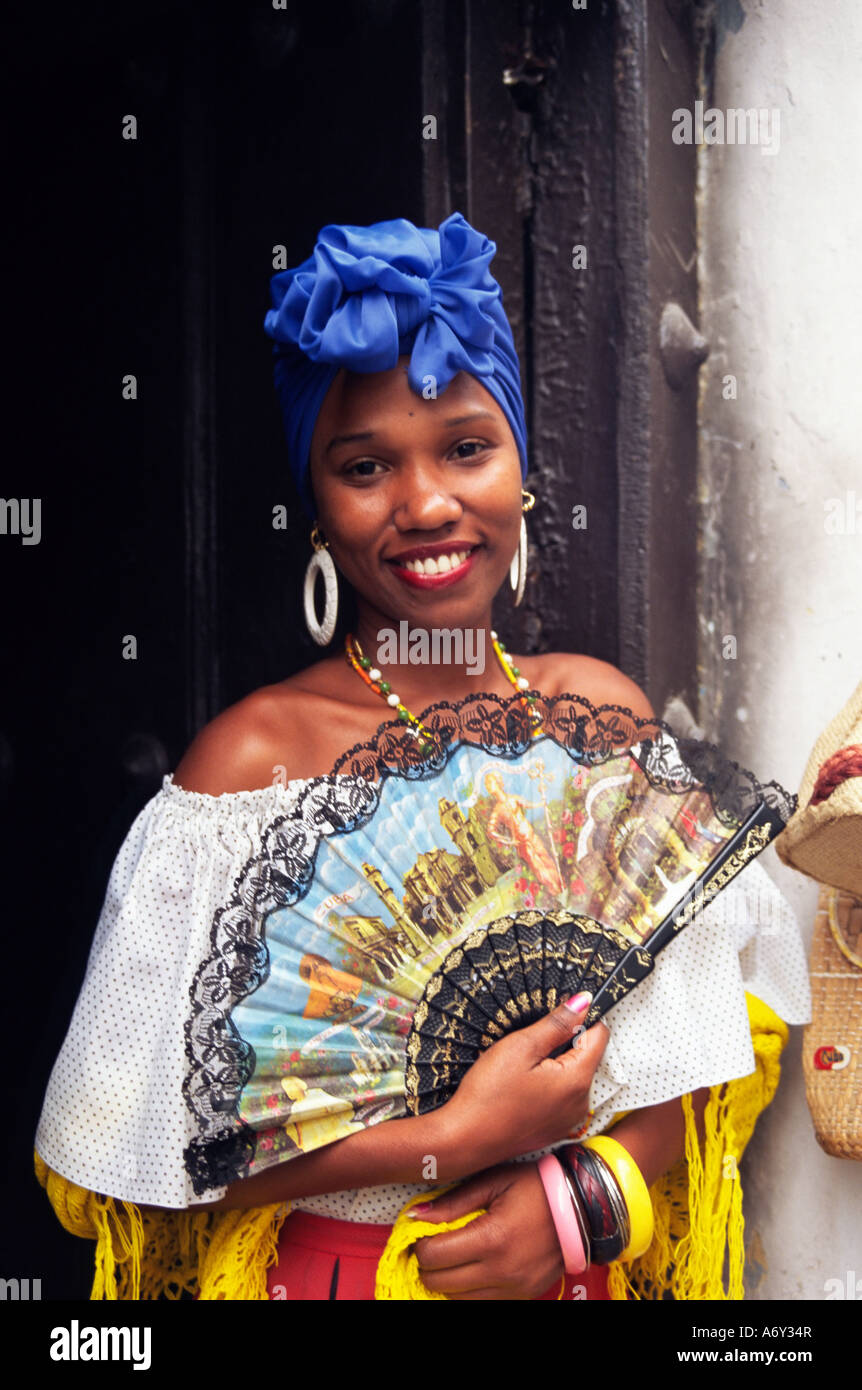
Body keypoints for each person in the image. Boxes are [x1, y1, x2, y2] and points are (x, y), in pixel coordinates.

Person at [33, 212, 811, 1301]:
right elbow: (164, 1138)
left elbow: (698, 1049)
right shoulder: (252, 764)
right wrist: (452, 1136)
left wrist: (583, 1203)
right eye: (364, 466)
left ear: (521, 471)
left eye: (464, 447)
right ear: (317, 511)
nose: (428, 503)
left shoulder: (599, 719)